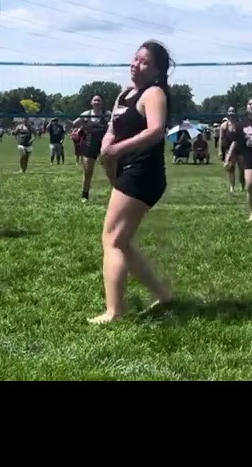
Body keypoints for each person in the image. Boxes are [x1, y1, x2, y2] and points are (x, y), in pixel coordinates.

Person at [90, 40, 175, 324]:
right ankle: (163, 294)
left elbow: (156, 131)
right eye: (135, 59)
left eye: (145, 62)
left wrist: (117, 150)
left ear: (157, 71)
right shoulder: (124, 94)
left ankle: (115, 311)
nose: (136, 64)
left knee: (112, 240)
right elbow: (113, 128)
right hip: (127, 171)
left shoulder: (154, 94)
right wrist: (106, 148)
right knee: (121, 242)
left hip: (144, 174)